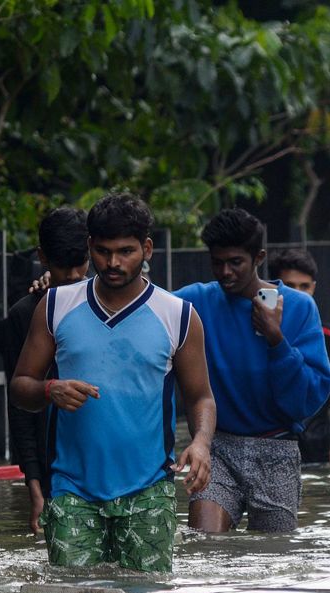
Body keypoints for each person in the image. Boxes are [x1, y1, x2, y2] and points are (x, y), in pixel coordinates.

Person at [11, 193, 215, 571]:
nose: (113, 263)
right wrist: (48, 390)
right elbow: (21, 386)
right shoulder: (56, 306)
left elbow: (201, 397)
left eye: (126, 251)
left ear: (147, 249)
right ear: (89, 248)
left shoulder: (178, 315)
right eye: (103, 251)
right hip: (71, 491)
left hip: (149, 492)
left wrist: (201, 443)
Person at [175, 209, 330, 533]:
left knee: (272, 562)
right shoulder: (193, 302)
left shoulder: (300, 308)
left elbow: (310, 398)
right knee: (204, 547)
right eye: (217, 263)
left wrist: (277, 339)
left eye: (235, 262)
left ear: (258, 257)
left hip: (278, 449)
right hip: (217, 445)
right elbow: (141, 306)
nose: (225, 272)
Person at [0, 207, 89, 532]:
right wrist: (34, 487)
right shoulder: (28, 315)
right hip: (55, 468)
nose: (72, 277)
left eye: (79, 265)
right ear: (43, 258)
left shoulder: (112, 303)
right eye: (62, 266)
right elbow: (22, 407)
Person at [269, 249, 330, 464]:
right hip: (272, 448)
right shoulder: (258, 336)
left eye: (304, 286)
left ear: (314, 288)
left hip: (318, 451)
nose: (299, 294)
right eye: (290, 286)